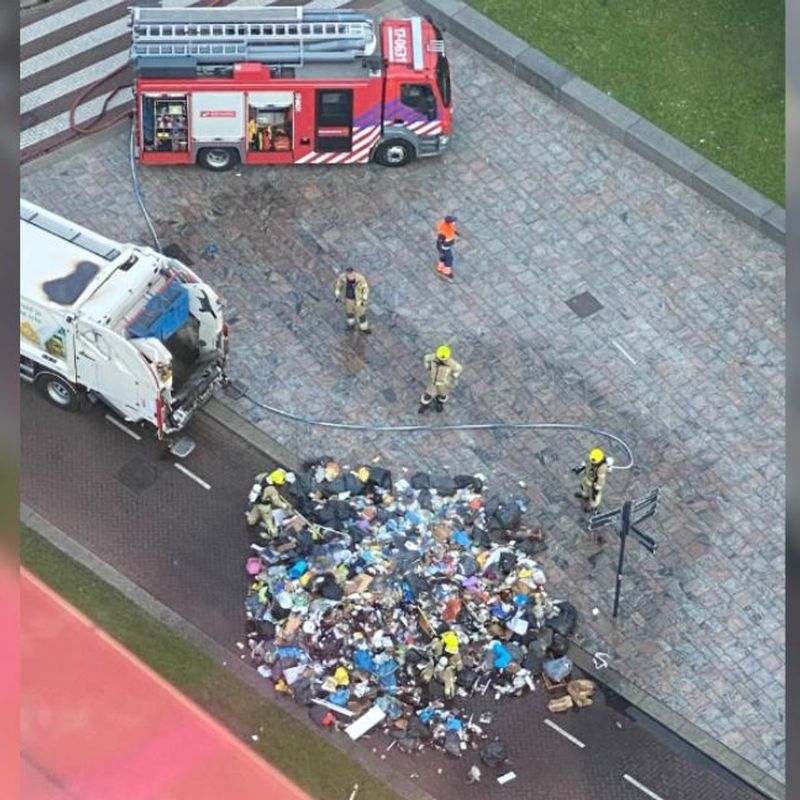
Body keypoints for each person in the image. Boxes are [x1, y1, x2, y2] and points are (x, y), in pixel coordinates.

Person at [246, 468, 292, 538]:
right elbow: (276, 502)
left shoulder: (264, 476)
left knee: (254, 513)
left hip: (257, 502)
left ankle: (251, 521)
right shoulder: (272, 490)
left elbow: (257, 478)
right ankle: (273, 533)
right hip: (265, 506)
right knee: (269, 520)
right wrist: (285, 506)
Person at [419, 345, 462, 413]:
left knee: (442, 395)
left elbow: (458, 369)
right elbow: (426, 358)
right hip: (433, 382)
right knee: (428, 394)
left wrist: (452, 377)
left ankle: (440, 403)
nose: (441, 360)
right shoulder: (433, 357)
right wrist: (428, 368)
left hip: (443, 383)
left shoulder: (452, 364)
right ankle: (424, 405)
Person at [334, 267, 370, 333]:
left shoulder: (360, 278)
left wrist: (364, 298)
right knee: (349, 313)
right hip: (348, 299)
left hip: (359, 300)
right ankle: (351, 325)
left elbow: (365, 289)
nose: (350, 276)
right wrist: (337, 294)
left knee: (361, 315)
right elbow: (339, 286)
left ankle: (364, 328)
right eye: (348, 274)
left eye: (351, 274)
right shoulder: (342, 277)